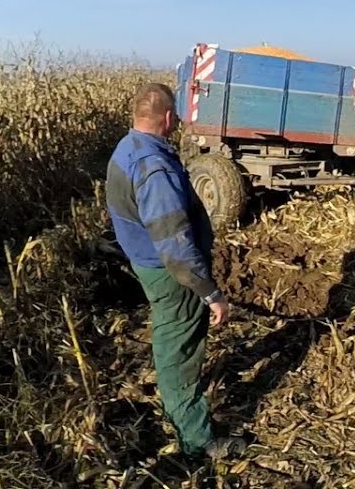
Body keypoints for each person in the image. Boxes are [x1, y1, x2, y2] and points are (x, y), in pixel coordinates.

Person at [105, 82, 246, 462]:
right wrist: (210, 293)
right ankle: (198, 440)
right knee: (179, 350)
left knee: (173, 338)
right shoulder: (154, 168)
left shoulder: (128, 147)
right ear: (168, 118)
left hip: (149, 263)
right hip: (170, 274)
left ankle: (177, 400)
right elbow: (175, 245)